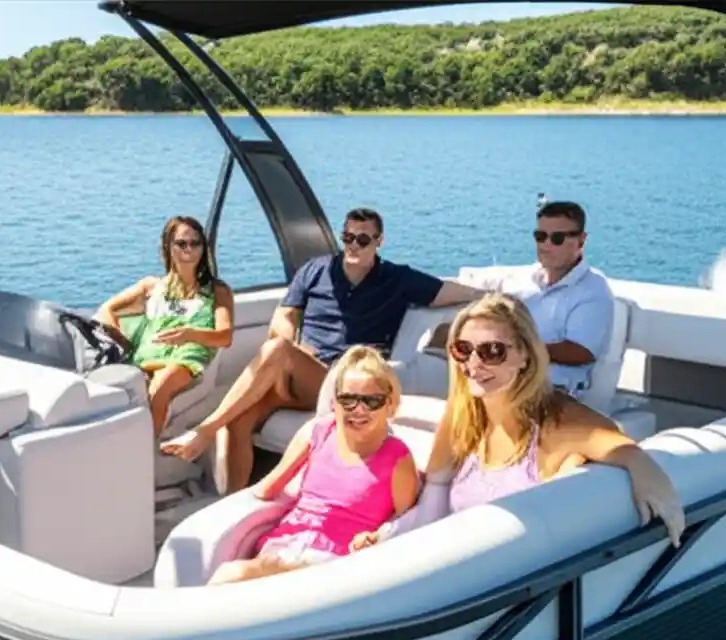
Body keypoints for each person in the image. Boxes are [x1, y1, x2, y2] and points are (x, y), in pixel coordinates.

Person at [162, 207, 484, 492]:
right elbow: (284, 316)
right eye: (348, 237)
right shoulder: (315, 270)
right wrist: (294, 348)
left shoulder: (396, 278)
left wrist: (496, 296)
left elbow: (449, 292)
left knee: (277, 352)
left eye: (363, 240)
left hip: (343, 379)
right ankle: (235, 508)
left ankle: (205, 430)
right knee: (239, 419)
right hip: (302, 372)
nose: (354, 246)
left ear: (379, 242)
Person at [353, 293, 685, 552]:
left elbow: (617, 444)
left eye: (493, 351)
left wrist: (647, 470)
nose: (474, 363)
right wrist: (388, 537)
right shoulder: (465, 416)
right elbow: (434, 501)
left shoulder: (554, 419)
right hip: (448, 567)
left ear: (525, 355)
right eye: (463, 349)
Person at [207, 345, 420, 584]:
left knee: (233, 576)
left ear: (390, 405)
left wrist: (376, 537)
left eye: (372, 401)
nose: (358, 410)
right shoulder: (317, 432)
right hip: (288, 543)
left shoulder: (396, 458)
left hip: (338, 562)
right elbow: (268, 488)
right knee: (235, 576)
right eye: (348, 399)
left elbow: (409, 521)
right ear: (334, 403)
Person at [428, 200, 614, 400]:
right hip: (500, 381)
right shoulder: (521, 280)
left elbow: (580, 352)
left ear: (581, 240)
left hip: (553, 392)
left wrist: (514, 350)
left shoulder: (593, 291)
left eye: (557, 238)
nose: (546, 245)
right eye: (540, 237)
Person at [95, 216, 234, 437]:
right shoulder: (151, 286)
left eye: (195, 243)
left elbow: (225, 336)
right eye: (181, 243)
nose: (189, 249)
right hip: (147, 356)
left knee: (160, 388)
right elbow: (107, 310)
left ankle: (146, 454)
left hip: (185, 358)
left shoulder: (217, 290)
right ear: (167, 247)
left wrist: (189, 334)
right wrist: (124, 345)